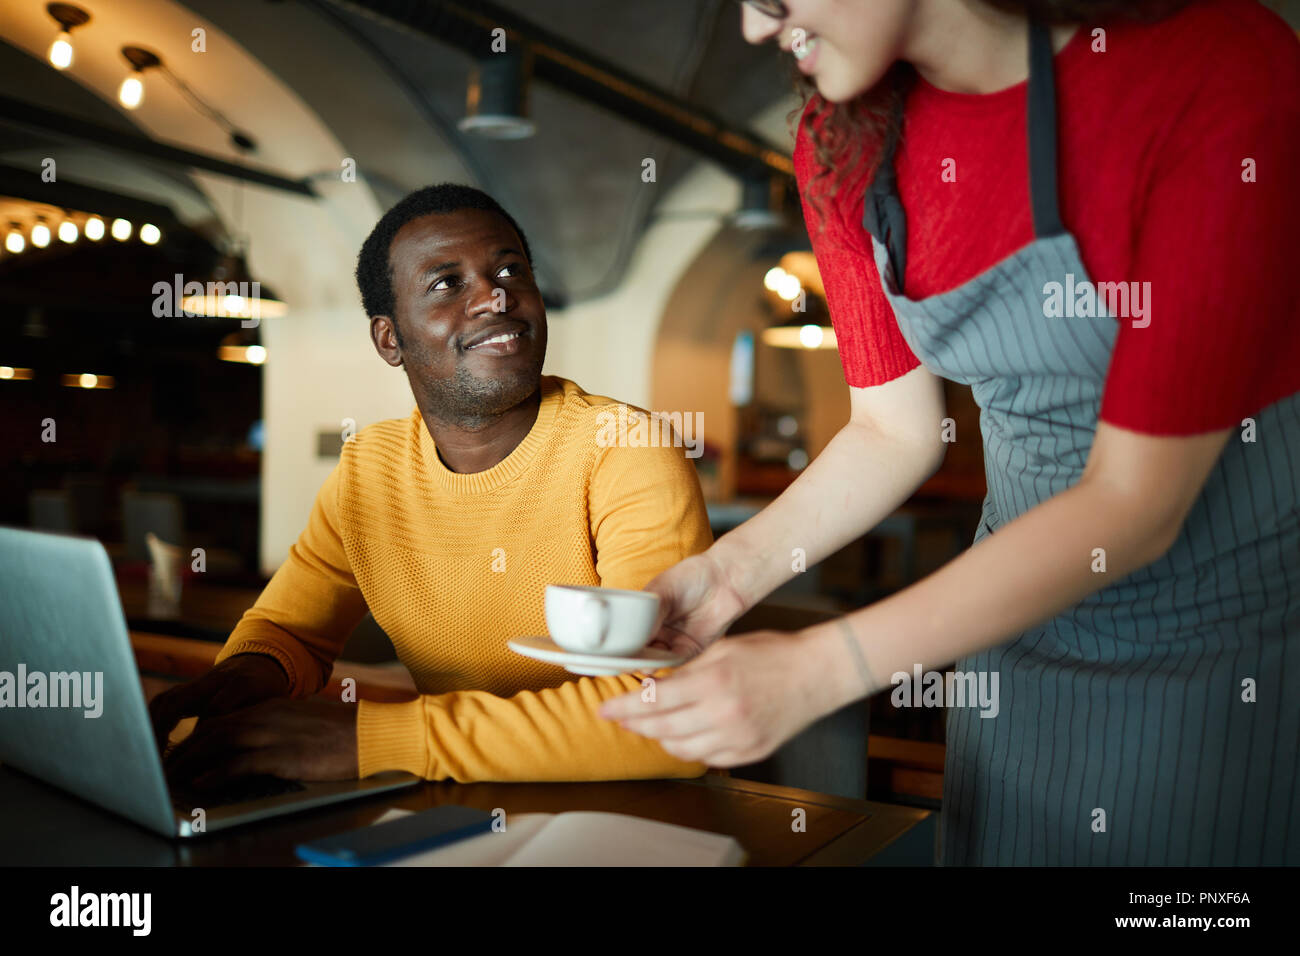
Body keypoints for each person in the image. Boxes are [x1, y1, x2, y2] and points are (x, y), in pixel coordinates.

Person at [602, 0, 1300, 865]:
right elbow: (893, 432)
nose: (752, 26)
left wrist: (819, 670)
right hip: (1009, 633)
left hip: (1224, 644)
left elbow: (1135, 503)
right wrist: (726, 578)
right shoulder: (841, 145)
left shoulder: (1214, 64)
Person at [152, 184, 712, 788]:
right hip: (454, 809)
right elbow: (289, 631)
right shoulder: (371, 466)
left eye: (510, 271)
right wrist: (242, 681)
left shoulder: (626, 449)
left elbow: (665, 715)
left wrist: (377, 739)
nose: (495, 295)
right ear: (389, 339)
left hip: (637, 817)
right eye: (447, 283)